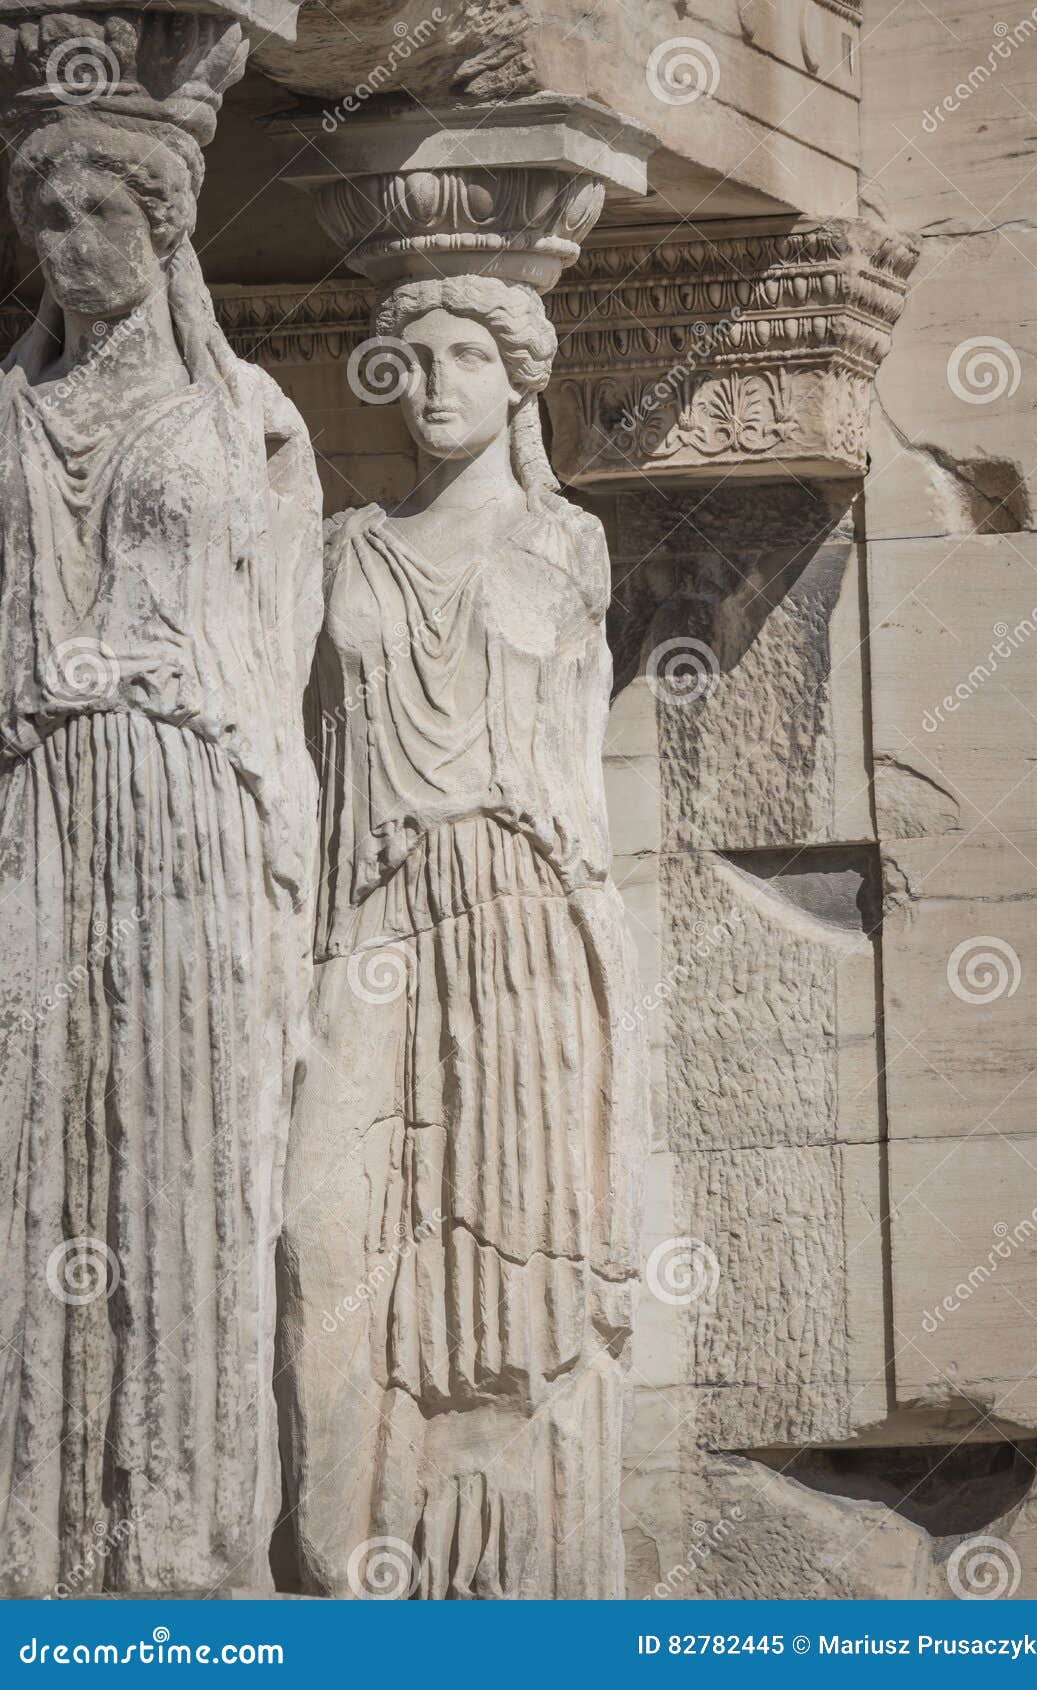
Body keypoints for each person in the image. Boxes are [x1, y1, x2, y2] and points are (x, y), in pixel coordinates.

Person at [279, 276, 647, 1600]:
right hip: (368, 920)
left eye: (462, 357)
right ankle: (341, 1551)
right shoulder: (340, 549)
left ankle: (504, 1567)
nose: (432, 382)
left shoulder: (566, 545)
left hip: (522, 924)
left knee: (514, 1250)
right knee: (322, 1228)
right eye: (409, 356)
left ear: (519, 379)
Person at [0, 110, 321, 1595]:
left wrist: (282, 874)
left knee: (185, 1141)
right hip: (38, 803)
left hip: (190, 802)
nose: (69, 244)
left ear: (170, 222)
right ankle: (40, 1541)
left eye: (97, 213)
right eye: (44, 216)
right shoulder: (4, 411)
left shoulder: (250, 414)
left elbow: (280, 653)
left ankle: (184, 1544)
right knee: (40, 1137)